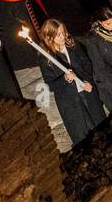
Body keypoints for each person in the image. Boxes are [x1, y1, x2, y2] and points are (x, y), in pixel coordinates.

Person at [37, 19, 106, 147]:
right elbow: (50, 84)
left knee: (101, 128)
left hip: (87, 93)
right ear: (49, 37)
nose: (63, 37)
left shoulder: (72, 45)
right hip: (71, 103)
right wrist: (65, 79)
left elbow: (87, 64)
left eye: (63, 32)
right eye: (58, 35)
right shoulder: (46, 58)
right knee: (84, 138)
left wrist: (87, 80)